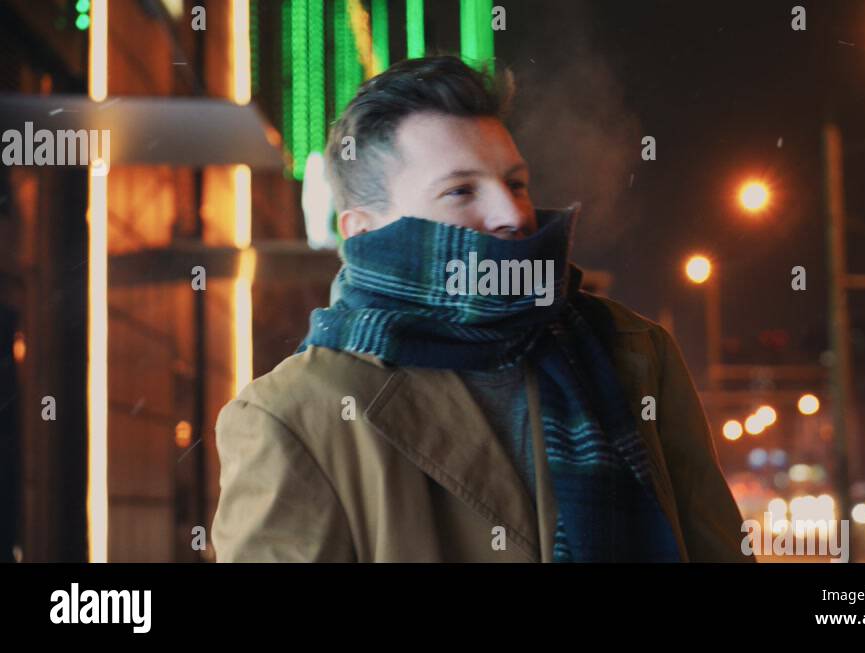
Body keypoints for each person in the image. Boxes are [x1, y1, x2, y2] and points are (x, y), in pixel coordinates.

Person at [211, 55, 750, 563]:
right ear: (364, 232)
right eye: (461, 190)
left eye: (515, 183)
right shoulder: (293, 415)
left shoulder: (634, 353)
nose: (511, 214)